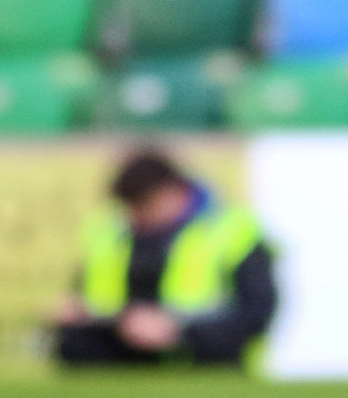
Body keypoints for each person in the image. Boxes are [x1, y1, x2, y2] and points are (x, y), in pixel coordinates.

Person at [54, 149, 276, 368]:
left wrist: (176, 331)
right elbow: (90, 296)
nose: (136, 216)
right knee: (75, 343)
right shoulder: (110, 233)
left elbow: (257, 311)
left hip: (201, 351)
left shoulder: (232, 231)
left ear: (172, 192)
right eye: (129, 207)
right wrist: (84, 314)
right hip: (125, 349)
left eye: (144, 204)